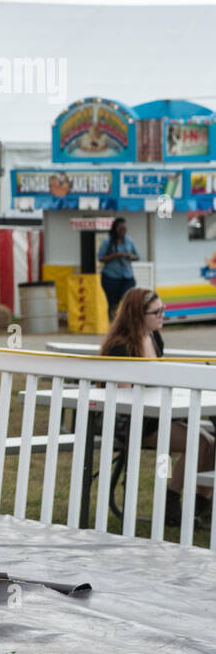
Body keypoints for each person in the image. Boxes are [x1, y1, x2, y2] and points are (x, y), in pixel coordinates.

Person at [99, 288, 214, 527]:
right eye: (157, 311)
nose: (163, 315)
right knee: (200, 442)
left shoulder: (153, 337)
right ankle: (171, 504)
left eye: (163, 309)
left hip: (156, 416)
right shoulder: (121, 346)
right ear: (137, 316)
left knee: (211, 443)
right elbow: (125, 395)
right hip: (131, 422)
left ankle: (201, 506)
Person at [98, 217, 138, 320]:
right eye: (120, 229)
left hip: (127, 276)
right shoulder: (107, 242)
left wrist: (130, 256)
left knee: (128, 299)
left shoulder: (129, 240)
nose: (123, 231)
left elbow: (137, 256)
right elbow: (101, 258)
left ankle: (127, 322)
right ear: (115, 229)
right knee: (113, 303)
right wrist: (115, 255)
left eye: (124, 228)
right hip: (111, 277)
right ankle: (113, 326)